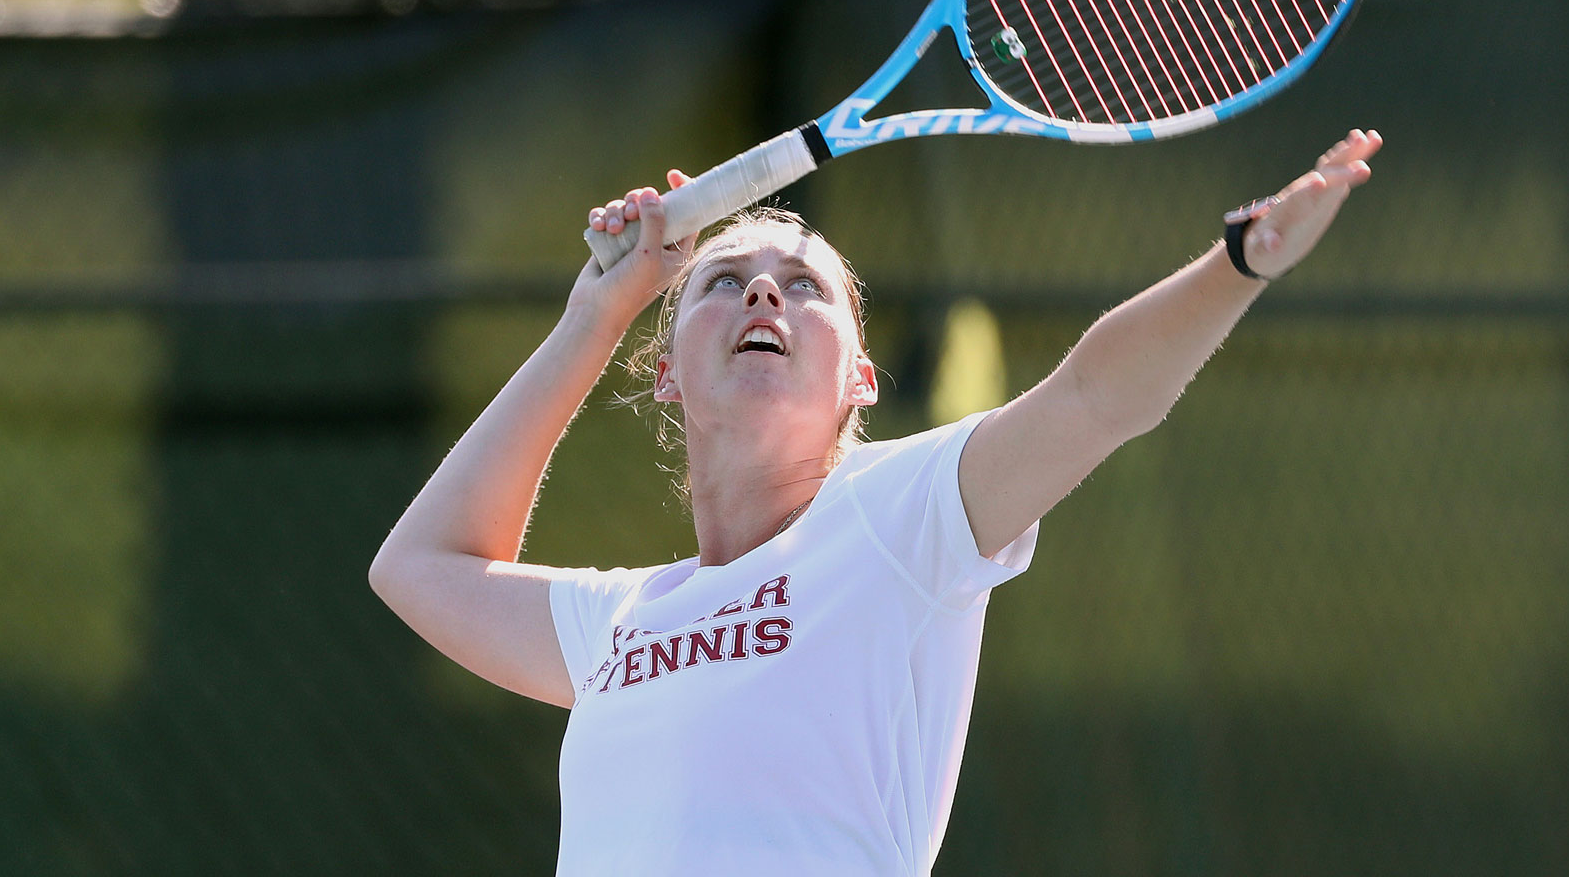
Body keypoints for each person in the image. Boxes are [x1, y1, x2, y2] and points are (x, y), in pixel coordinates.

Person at [369, 129, 1381, 875]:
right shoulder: (618, 624)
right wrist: (598, 309)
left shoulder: (900, 522)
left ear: (858, 377)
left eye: (803, 288)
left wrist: (1237, 265)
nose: (764, 294)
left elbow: (1095, 394)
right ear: (667, 369)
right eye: (723, 281)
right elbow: (418, 568)